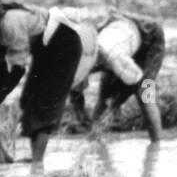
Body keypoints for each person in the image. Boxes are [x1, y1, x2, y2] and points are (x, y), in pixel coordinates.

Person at [0, 0, 98, 164]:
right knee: (27, 99)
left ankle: (37, 163)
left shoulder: (11, 22)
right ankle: (35, 158)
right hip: (44, 49)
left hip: (64, 44)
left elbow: (18, 70)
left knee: (46, 102)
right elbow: (0, 69)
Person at [71, 11, 166, 143]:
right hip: (119, 30)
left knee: (145, 94)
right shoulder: (79, 58)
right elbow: (75, 90)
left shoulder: (113, 55)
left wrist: (115, 104)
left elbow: (136, 78)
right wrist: (81, 114)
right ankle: (93, 141)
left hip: (150, 37)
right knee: (103, 97)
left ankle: (156, 144)